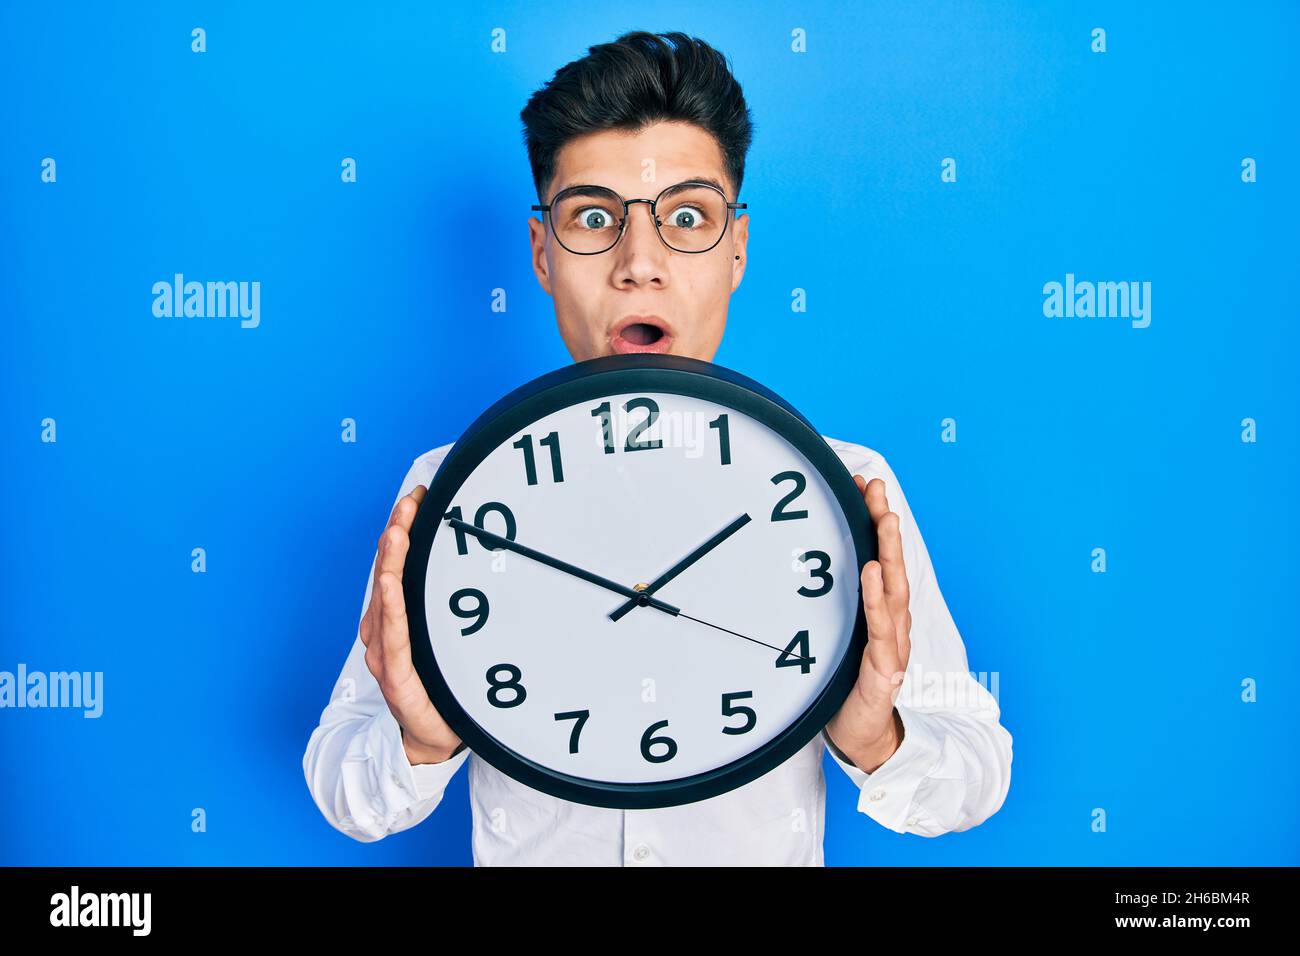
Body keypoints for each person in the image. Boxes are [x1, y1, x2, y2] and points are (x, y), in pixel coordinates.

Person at [302, 29, 1012, 866]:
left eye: (686, 217)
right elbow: (343, 787)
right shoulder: (448, 488)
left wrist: (874, 736)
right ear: (541, 254)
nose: (640, 264)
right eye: (594, 218)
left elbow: (978, 772)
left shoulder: (846, 487)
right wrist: (421, 739)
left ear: (736, 249)